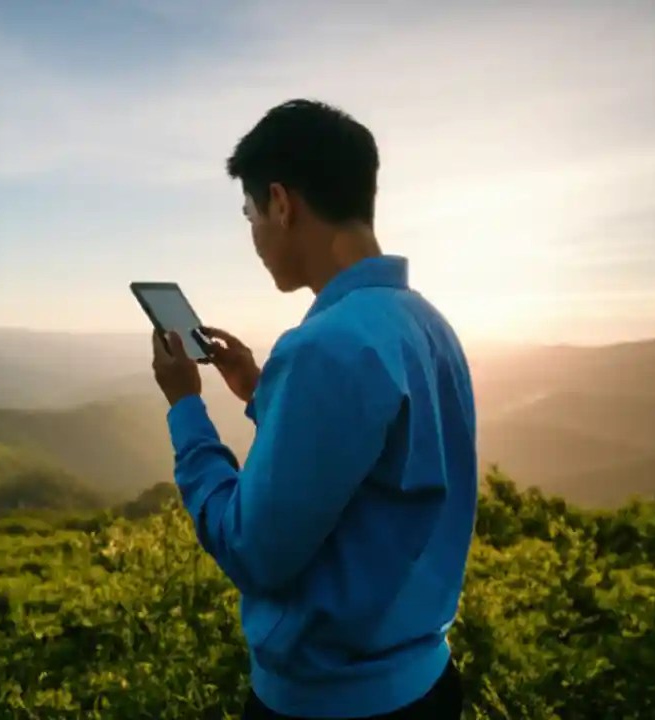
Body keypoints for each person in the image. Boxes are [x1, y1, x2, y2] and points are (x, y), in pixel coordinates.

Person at [150, 99, 477, 720]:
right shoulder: (426, 323)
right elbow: (380, 468)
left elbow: (252, 550)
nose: (254, 238)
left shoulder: (326, 345)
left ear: (281, 201)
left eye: (249, 214)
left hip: (332, 706)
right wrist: (260, 392)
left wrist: (186, 408)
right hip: (426, 683)